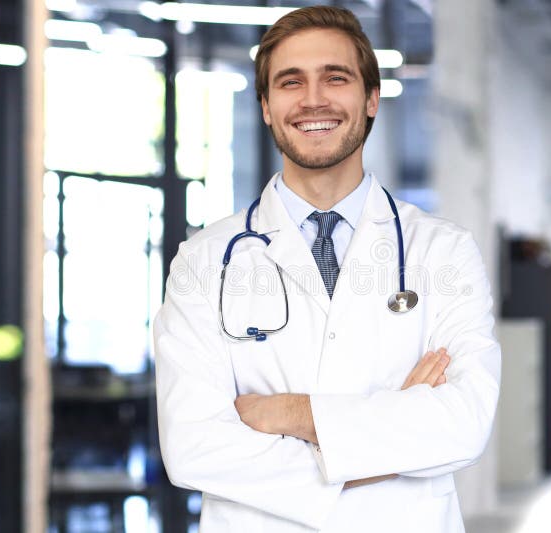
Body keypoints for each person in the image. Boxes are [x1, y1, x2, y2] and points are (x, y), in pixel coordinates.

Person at [154, 5, 501, 533]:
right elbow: (192, 447)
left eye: (335, 78)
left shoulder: (444, 252)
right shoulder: (204, 261)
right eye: (290, 82)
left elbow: (464, 423)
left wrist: (289, 414)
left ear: (371, 98)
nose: (313, 99)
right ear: (266, 106)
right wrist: (389, 440)